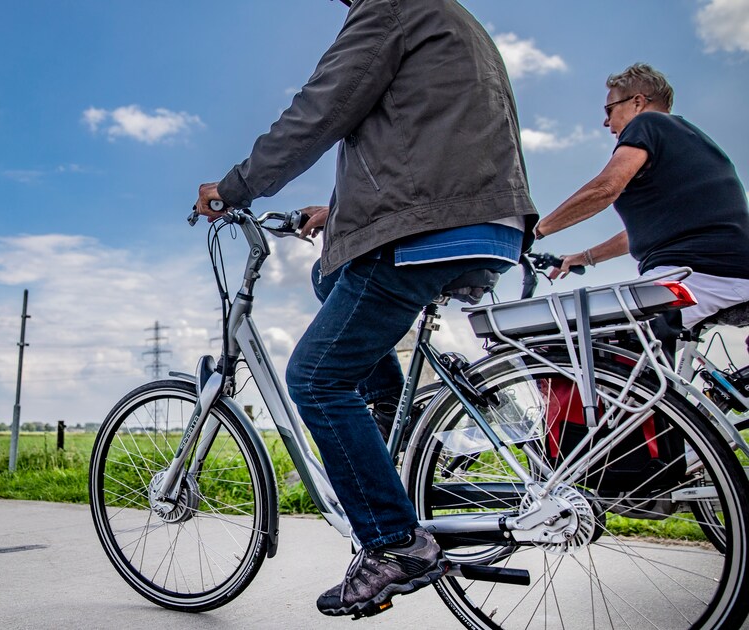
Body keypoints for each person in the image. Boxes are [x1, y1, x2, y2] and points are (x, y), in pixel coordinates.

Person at [193, 0, 537, 617]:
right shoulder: (447, 14)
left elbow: (320, 110)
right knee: (332, 279)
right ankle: (383, 416)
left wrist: (235, 187)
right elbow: (415, 132)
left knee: (316, 378)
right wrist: (339, 212)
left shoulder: (391, 7)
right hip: (484, 217)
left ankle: (393, 543)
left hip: (430, 227)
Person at [538, 63, 749, 353]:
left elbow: (605, 189)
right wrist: (583, 258)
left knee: (588, 337)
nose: (605, 122)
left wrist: (537, 230)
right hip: (727, 268)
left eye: (609, 110)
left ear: (637, 102)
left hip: (701, 271)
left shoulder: (647, 124)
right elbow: (643, 233)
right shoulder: (690, 138)